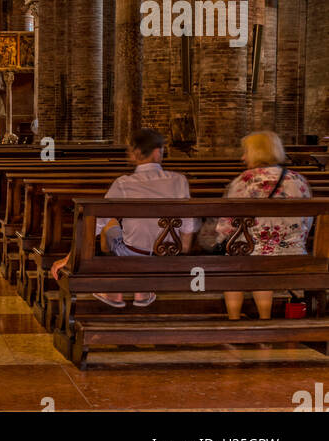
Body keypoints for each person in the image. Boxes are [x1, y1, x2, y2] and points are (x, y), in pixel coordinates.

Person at [51, 128, 199, 307]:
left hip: (134, 254)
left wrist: (68, 258)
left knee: (109, 225)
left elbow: (95, 225)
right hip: (169, 253)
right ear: (157, 152)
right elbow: (188, 225)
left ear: (135, 154)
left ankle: (114, 286)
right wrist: (181, 254)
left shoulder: (123, 183)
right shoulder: (179, 180)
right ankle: (141, 290)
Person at [213, 130, 312, 322]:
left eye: (246, 152)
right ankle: (265, 321)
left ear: (256, 152)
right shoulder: (298, 180)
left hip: (255, 251)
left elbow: (227, 223)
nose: (242, 157)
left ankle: (235, 321)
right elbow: (306, 221)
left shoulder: (245, 180)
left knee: (232, 262)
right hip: (294, 251)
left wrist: (218, 240)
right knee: (258, 258)